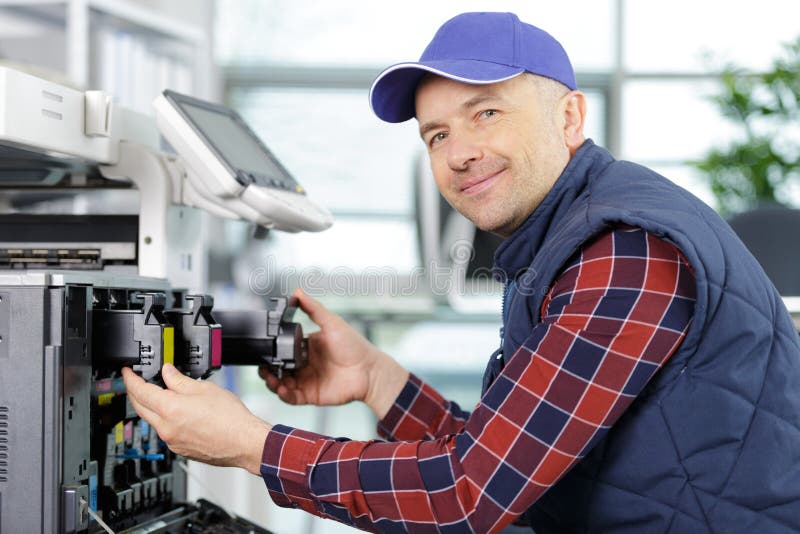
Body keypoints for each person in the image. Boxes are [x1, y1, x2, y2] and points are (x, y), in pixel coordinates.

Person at [123, 11, 800, 533]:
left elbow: (468, 496)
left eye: (486, 114)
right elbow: (510, 456)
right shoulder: (566, 235)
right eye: (437, 134)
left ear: (568, 117)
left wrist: (252, 445)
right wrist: (377, 380)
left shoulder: (624, 252)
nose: (459, 154)